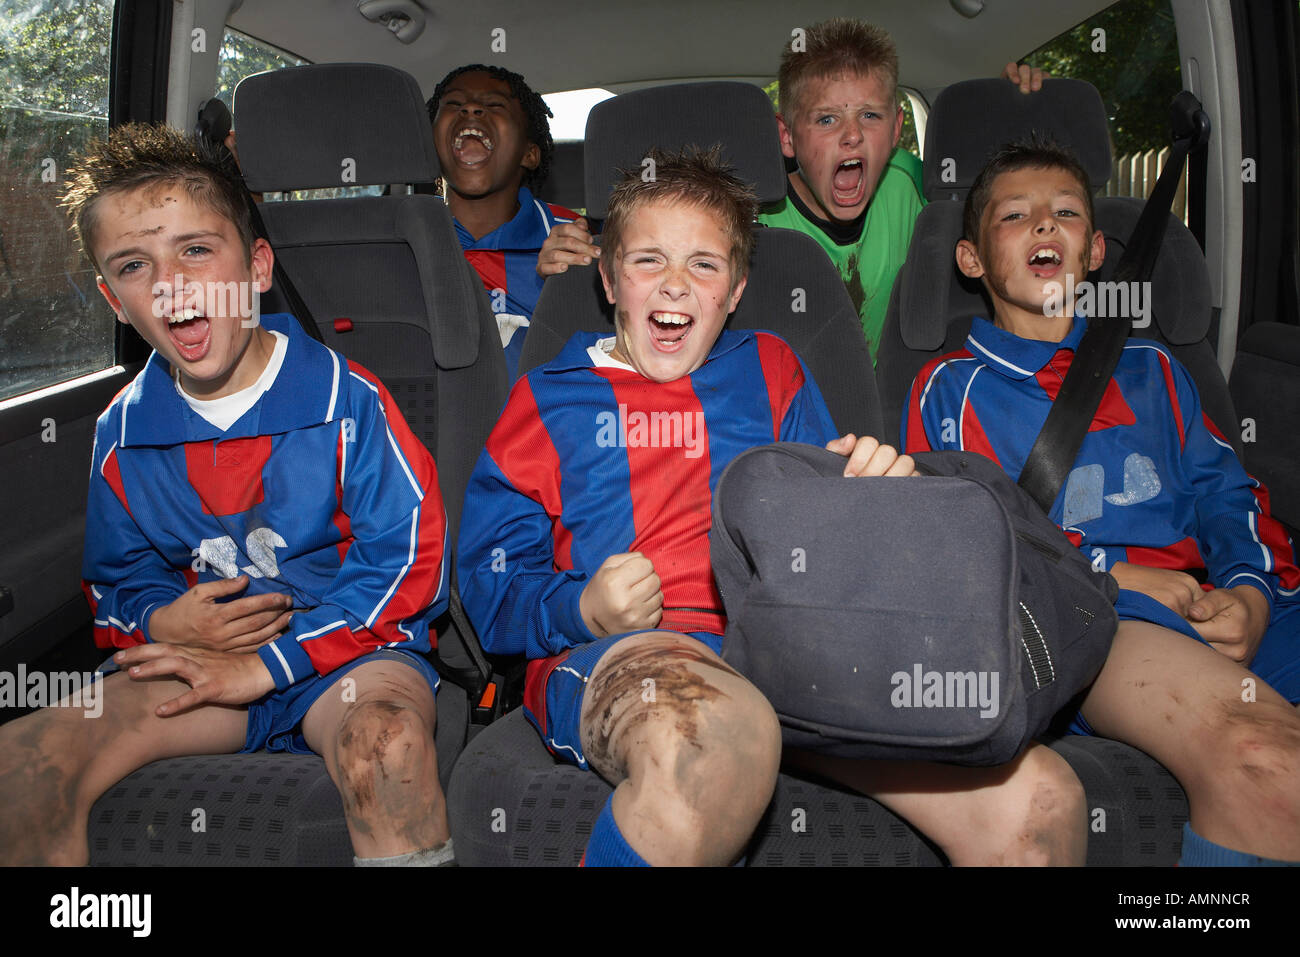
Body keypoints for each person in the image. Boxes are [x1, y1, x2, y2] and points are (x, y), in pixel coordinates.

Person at [459, 146, 1090, 867]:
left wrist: (874, 498)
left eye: (704, 264)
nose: (675, 284)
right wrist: (581, 608)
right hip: (626, 652)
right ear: (606, 277)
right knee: (713, 741)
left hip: (790, 652)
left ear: (734, 290)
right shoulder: (546, 400)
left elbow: (827, 544)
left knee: (1042, 801)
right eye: (647, 261)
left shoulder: (773, 368)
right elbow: (487, 587)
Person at [0, 123, 454, 866]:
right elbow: (117, 581)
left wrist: (273, 665)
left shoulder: (350, 401)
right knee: (23, 765)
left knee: (386, 748)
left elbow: (409, 566)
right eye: (136, 265)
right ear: (115, 300)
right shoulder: (123, 433)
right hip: (198, 660)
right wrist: (161, 616)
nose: (171, 284)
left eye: (197, 250)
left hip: (347, 653)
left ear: (258, 267)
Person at [902, 136, 1300, 865]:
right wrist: (1106, 577)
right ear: (971, 259)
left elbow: (1229, 494)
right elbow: (962, 543)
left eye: (1066, 214)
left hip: (1231, 605)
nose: (1045, 226)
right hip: (1092, 619)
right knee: (1263, 758)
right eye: (1016, 216)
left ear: (1094, 252)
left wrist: (1250, 592)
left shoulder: (1158, 371)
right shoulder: (951, 390)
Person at [534, 18, 1043, 364]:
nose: (851, 135)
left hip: (893, 401)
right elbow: (645, 242)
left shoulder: (912, 191)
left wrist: (1013, 114)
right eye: (826, 119)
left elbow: (1010, 221)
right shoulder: (742, 220)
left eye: (870, 115)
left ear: (895, 130)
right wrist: (575, 250)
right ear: (786, 137)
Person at [427, 64, 577, 381]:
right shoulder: (401, 244)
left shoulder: (573, 239)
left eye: (494, 105)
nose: (471, 108)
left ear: (529, 154)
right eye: (454, 104)